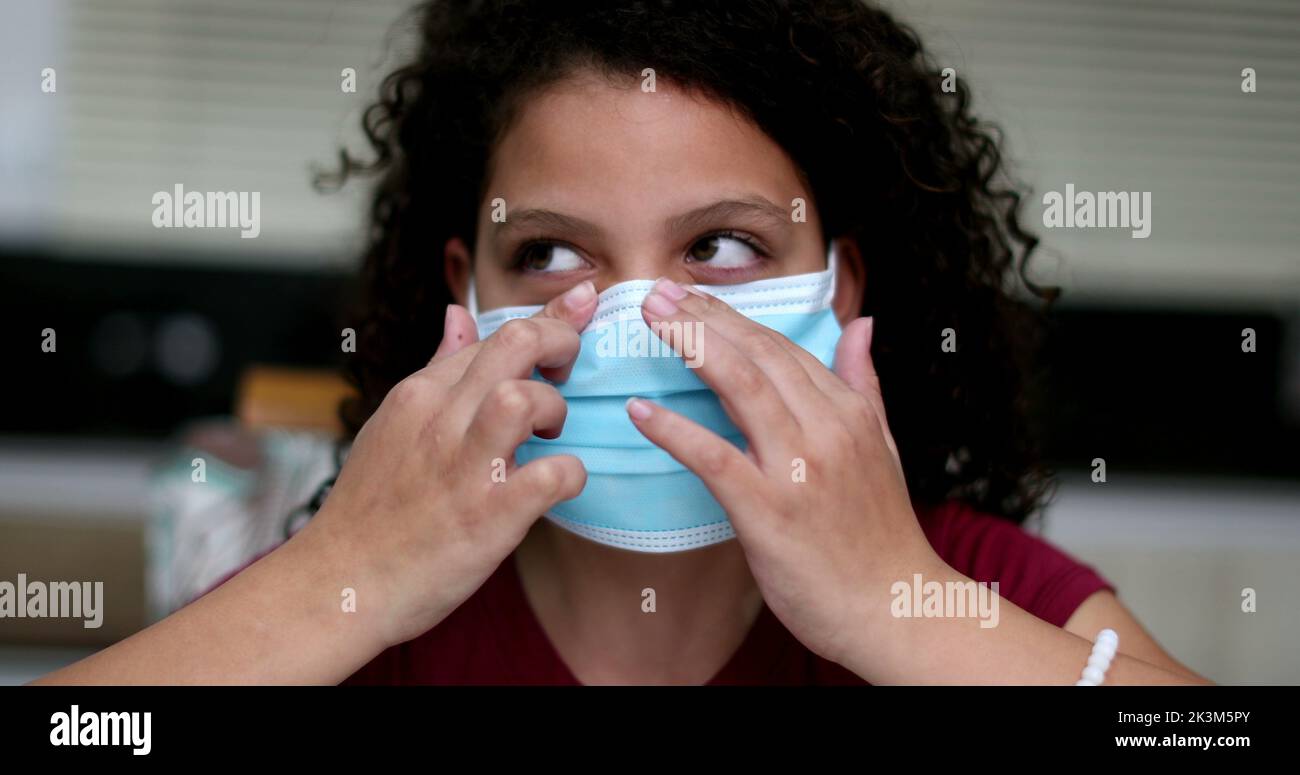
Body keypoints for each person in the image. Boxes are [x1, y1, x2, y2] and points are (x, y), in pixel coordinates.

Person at [36, 0, 1207, 685]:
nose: (646, 320)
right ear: (467, 294)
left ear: (842, 286)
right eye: (550, 254)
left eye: (723, 246)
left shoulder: (959, 579)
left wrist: (899, 608)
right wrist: (340, 585)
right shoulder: (370, 597)